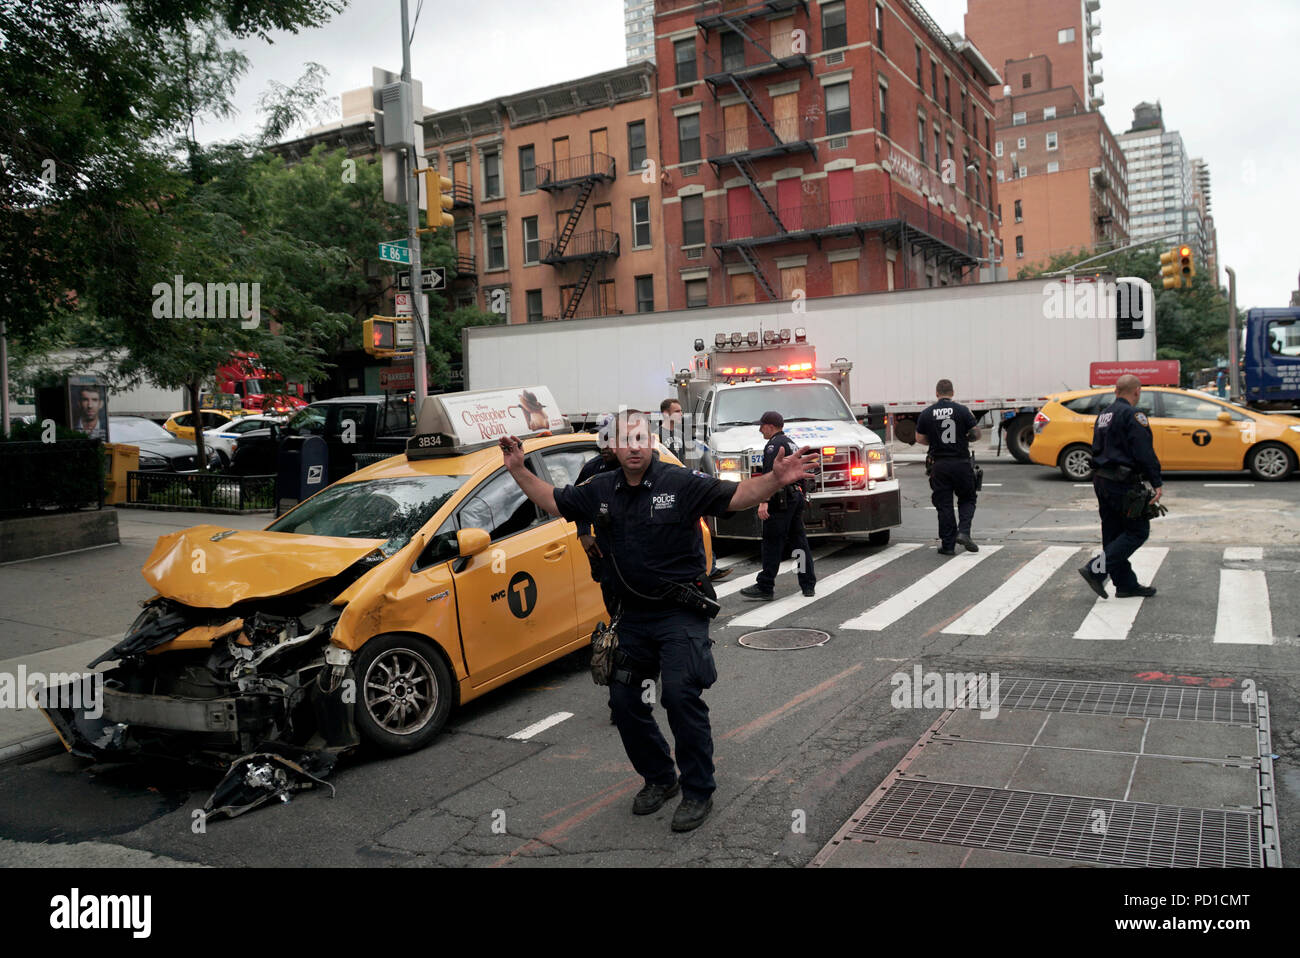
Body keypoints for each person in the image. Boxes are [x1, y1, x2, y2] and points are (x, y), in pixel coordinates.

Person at [500, 409, 818, 832]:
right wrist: (519, 469)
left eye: (640, 438)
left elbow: (735, 494)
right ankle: (660, 779)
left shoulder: (678, 482)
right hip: (631, 617)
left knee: (680, 696)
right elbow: (551, 498)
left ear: (650, 440)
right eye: (624, 439)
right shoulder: (598, 489)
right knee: (625, 702)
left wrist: (776, 479)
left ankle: (697, 790)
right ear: (612, 445)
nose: (634, 446)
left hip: (679, 614)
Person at [1079, 374, 1163, 599]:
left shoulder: (1104, 414)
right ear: (1137, 391)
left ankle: (1125, 584)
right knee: (1137, 531)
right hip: (1122, 483)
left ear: (1116, 391)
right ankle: (1096, 569)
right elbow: (1143, 450)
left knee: (1114, 533)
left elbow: (1096, 447)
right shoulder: (1133, 415)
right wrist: (1156, 481)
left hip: (1102, 480)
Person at [740, 411, 815, 599]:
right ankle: (808, 585)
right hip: (795, 496)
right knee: (799, 542)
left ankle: (765, 585)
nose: (760, 429)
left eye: (762, 426)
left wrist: (763, 501)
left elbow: (769, 476)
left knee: (772, 542)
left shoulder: (774, 445)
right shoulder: (791, 442)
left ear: (770, 426)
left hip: (780, 499)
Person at [915, 379, 980, 555]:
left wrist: (935, 441)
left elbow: (919, 438)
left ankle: (948, 545)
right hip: (961, 463)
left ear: (936, 393)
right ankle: (964, 532)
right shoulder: (962, 410)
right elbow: (976, 433)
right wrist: (964, 438)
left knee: (944, 505)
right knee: (967, 499)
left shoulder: (927, 413)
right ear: (952, 393)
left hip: (939, 465)